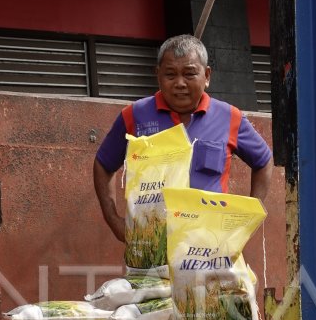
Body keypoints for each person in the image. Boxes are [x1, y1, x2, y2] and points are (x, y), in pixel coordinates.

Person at [93, 34, 274, 241]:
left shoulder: (230, 117)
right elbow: (103, 164)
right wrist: (114, 220)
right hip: (150, 245)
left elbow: (264, 161)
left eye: (189, 74)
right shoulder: (134, 115)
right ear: (158, 75)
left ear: (206, 76)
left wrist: (248, 219)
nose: (180, 83)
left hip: (210, 247)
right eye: (170, 75)